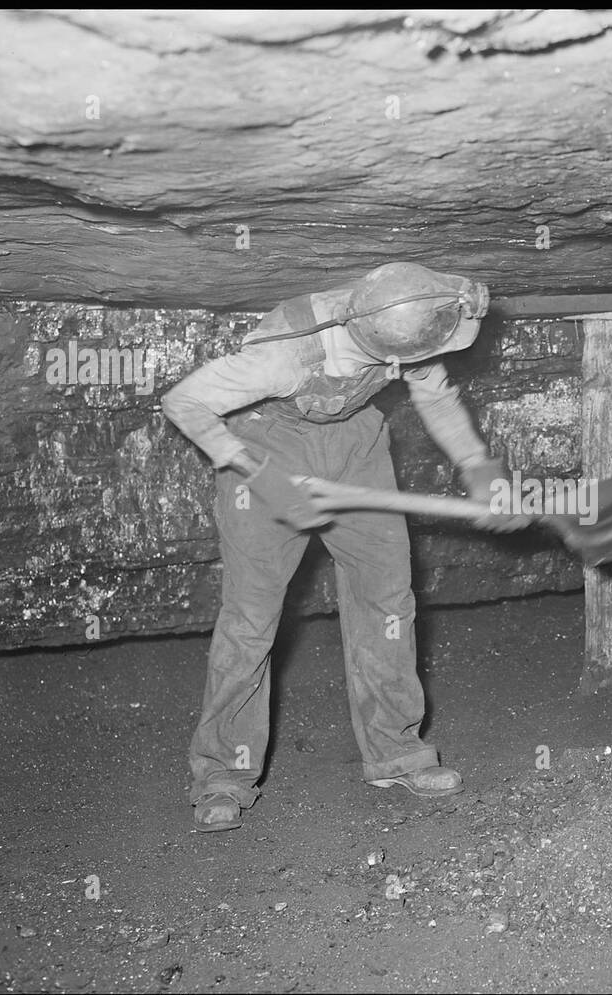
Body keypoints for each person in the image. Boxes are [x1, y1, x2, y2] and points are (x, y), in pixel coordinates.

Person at [162, 262, 526, 832]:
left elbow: (435, 395)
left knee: (387, 599)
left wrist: (477, 463)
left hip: (356, 441)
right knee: (251, 617)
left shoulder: (409, 314)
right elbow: (184, 402)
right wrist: (257, 471)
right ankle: (223, 774)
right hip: (265, 442)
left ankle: (395, 750)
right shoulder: (283, 353)